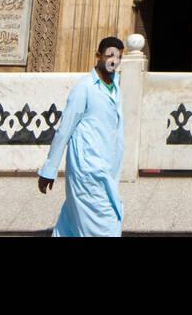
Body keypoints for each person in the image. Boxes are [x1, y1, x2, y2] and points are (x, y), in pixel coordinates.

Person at [37, 36, 126, 237]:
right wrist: (49, 170)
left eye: (118, 57)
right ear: (98, 56)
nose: (114, 61)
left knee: (71, 225)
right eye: (110, 55)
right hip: (87, 169)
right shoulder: (84, 88)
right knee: (105, 225)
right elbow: (65, 129)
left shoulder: (116, 86)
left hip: (107, 168)